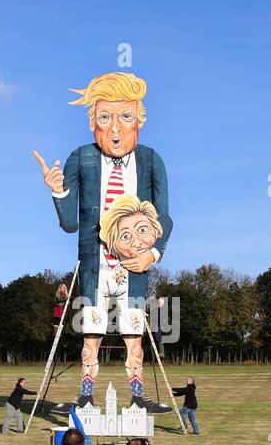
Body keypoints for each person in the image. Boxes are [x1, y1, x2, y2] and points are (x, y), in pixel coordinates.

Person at [32, 71, 172, 414]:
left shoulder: (152, 161)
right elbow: (68, 224)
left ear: (139, 119)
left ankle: (138, 397)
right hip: (95, 263)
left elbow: (164, 218)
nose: (115, 129)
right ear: (92, 122)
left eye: (125, 117)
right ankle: (85, 395)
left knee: (133, 333)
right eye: (104, 117)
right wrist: (58, 190)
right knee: (91, 332)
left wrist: (152, 254)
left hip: (133, 265)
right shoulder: (81, 158)